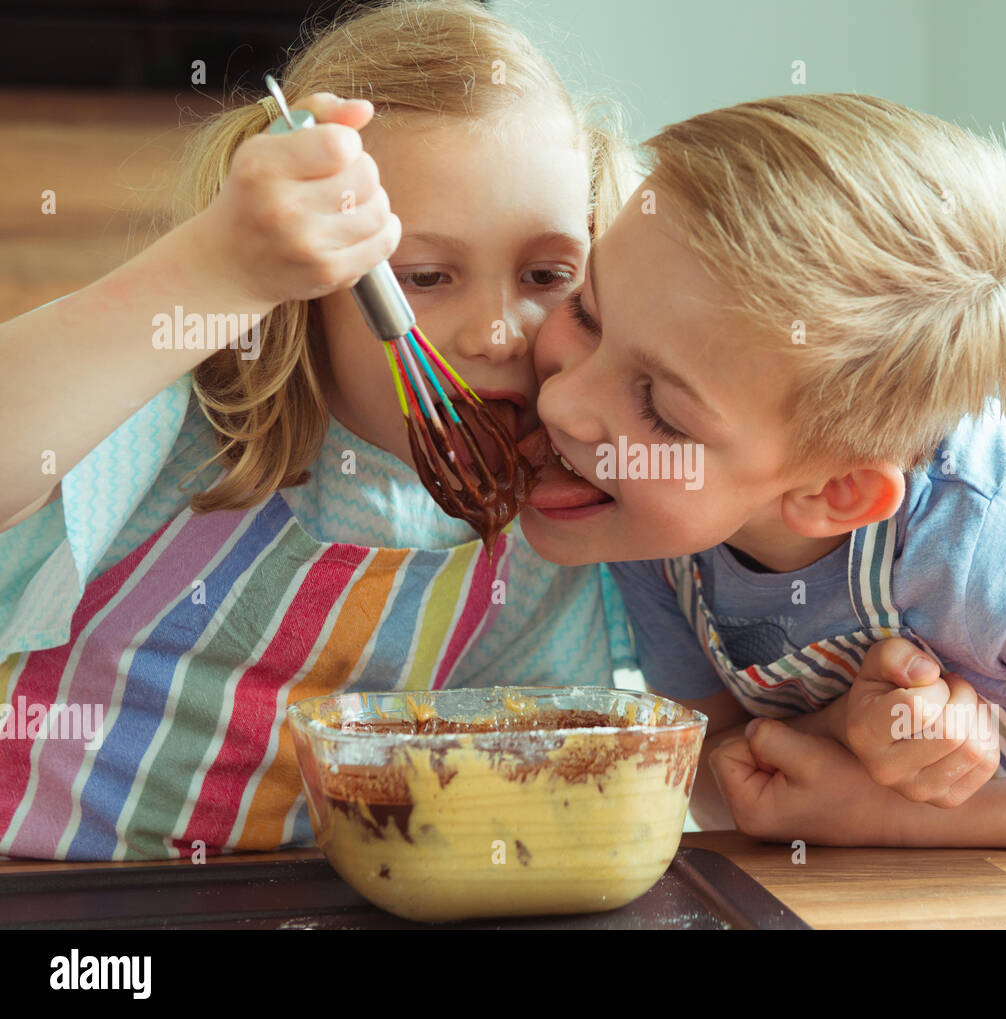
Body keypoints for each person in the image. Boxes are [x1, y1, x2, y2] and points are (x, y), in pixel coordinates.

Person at [518, 93, 1006, 851]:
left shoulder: (1001, 533)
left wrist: (901, 818)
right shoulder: (649, 514)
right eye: (587, 310)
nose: (560, 399)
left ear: (835, 492)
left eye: (660, 409)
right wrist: (839, 737)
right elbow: (718, 772)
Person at [0, 0, 637, 861]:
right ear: (305, 284)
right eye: (426, 275)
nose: (498, 331)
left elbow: (541, 774)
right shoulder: (193, 416)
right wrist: (208, 272)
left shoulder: (537, 532)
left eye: (546, 274)